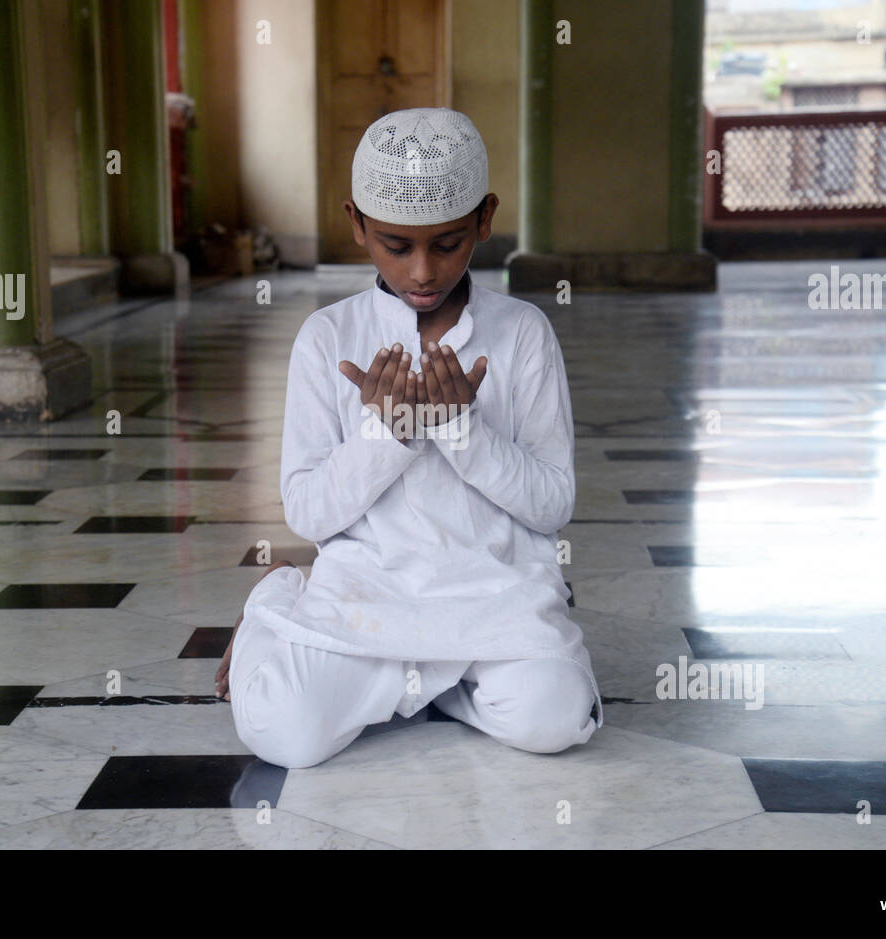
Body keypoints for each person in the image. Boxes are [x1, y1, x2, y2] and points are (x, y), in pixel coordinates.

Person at [213, 107, 602, 769]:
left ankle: (430, 685)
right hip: (367, 591)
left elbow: (552, 504)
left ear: (485, 219)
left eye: (447, 243)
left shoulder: (523, 332)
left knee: (554, 718)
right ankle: (281, 601)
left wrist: (461, 431)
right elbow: (310, 511)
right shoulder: (327, 340)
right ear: (357, 224)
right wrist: (387, 435)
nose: (422, 270)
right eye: (396, 245)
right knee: (283, 728)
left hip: (495, 588)